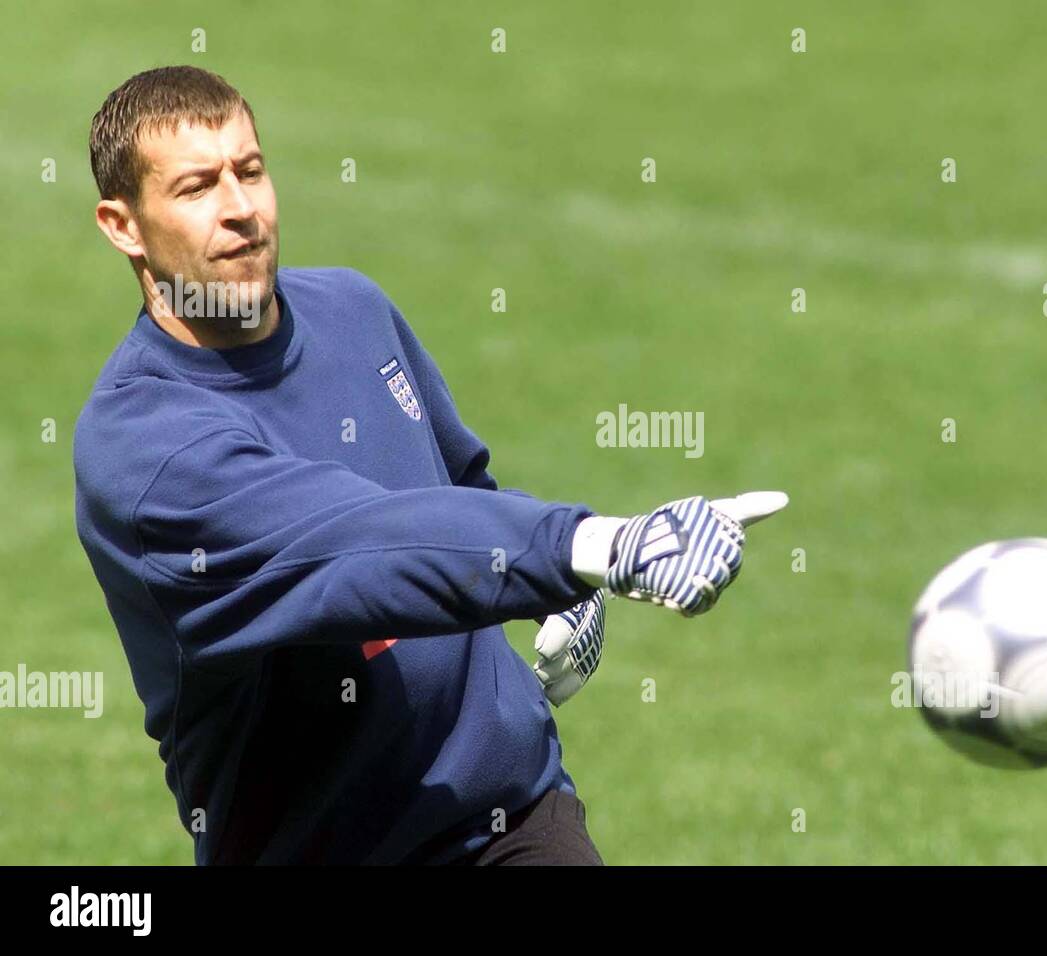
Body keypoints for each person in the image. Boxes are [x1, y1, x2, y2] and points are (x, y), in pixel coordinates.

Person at [74, 65, 784, 865]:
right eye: (198, 187)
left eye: (251, 170)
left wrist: (561, 591)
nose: (241, 209)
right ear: (123, 225)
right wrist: (593, 549)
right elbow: (362, 543)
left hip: (513, 818)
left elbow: (460, 495)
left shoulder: (355, 310)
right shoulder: (146, 448)